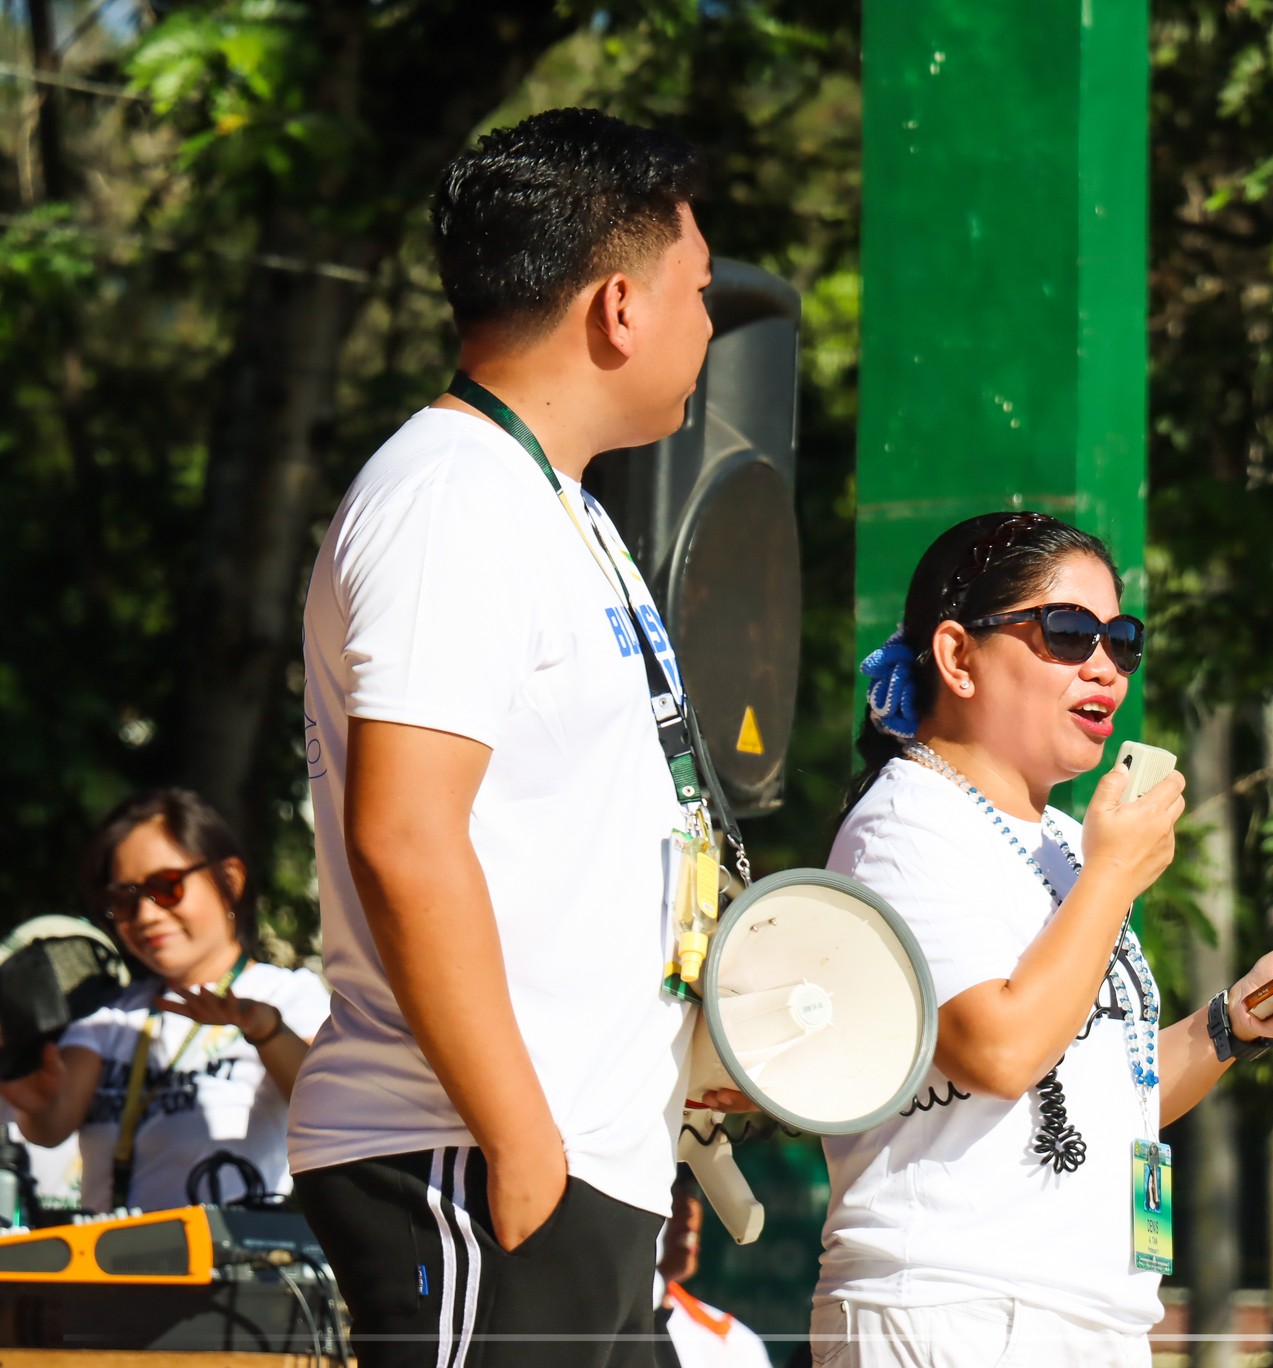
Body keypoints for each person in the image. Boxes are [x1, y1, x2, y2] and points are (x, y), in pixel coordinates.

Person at [290, 108, 735, 1368]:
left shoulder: (555, 506)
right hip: (473, 1160)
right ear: (618, 307)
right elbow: (403, 833)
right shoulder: (453, 497)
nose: (709, 324)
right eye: (696, 290)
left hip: (577, 1171)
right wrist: (521, 1135)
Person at [809, 512, 1273, 1367]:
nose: (1104, 664)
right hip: (954, 1307)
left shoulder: (1068, 842)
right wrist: (1113, 878)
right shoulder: (903, 826)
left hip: (1087, 1315)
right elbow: (997, 1054)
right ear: (958, 658)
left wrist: (1235, 1022)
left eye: (1121, 639)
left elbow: (1108, 1094)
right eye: (1067, 632)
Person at [0, 789, 329, 1213]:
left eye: (165, 887)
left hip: (232, 1266)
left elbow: (330, 1111)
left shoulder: (286, 994)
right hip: (108, 1265)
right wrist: (33, 1098)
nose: (146, 914)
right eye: (124, 898)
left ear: (230, 879)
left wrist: (266, 1031)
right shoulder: (110, 1013)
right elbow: (51, 1128)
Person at [655, 1168, 773, 1368]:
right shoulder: (594, 1318)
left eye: (693, 1192)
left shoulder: (735, 1341)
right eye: (672, 1190)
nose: (689, 1207)